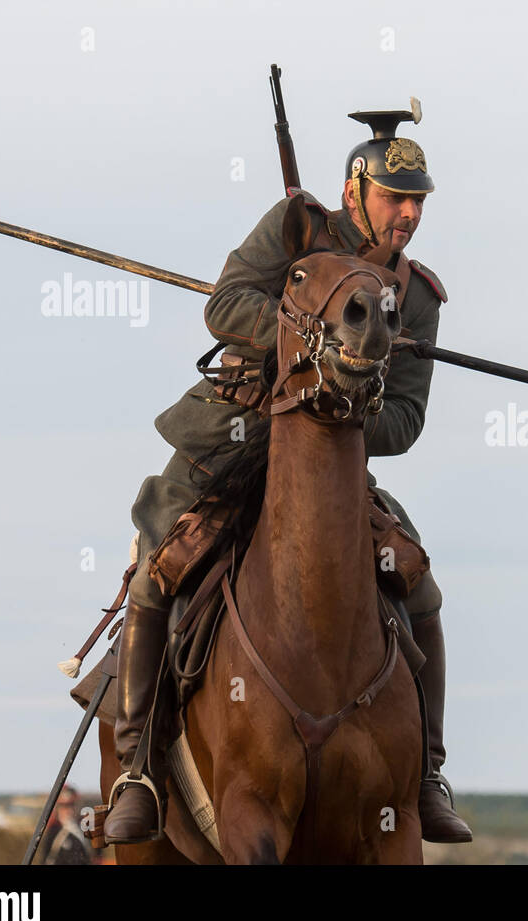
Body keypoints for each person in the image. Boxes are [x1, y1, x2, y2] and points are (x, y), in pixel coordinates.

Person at [103, 102, 471, 846]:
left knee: (419, 579)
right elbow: (225, 304)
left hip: (332, 458)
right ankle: (138, 767)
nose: (407, 215)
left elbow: (405, 419)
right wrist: (301, 335)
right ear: (354, 189)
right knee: (156, 566)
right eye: (397, 198)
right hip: (236, 429)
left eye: (418, 202)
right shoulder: (297, 226)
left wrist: (350, 392)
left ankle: (427, 772)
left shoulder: (419, 297)